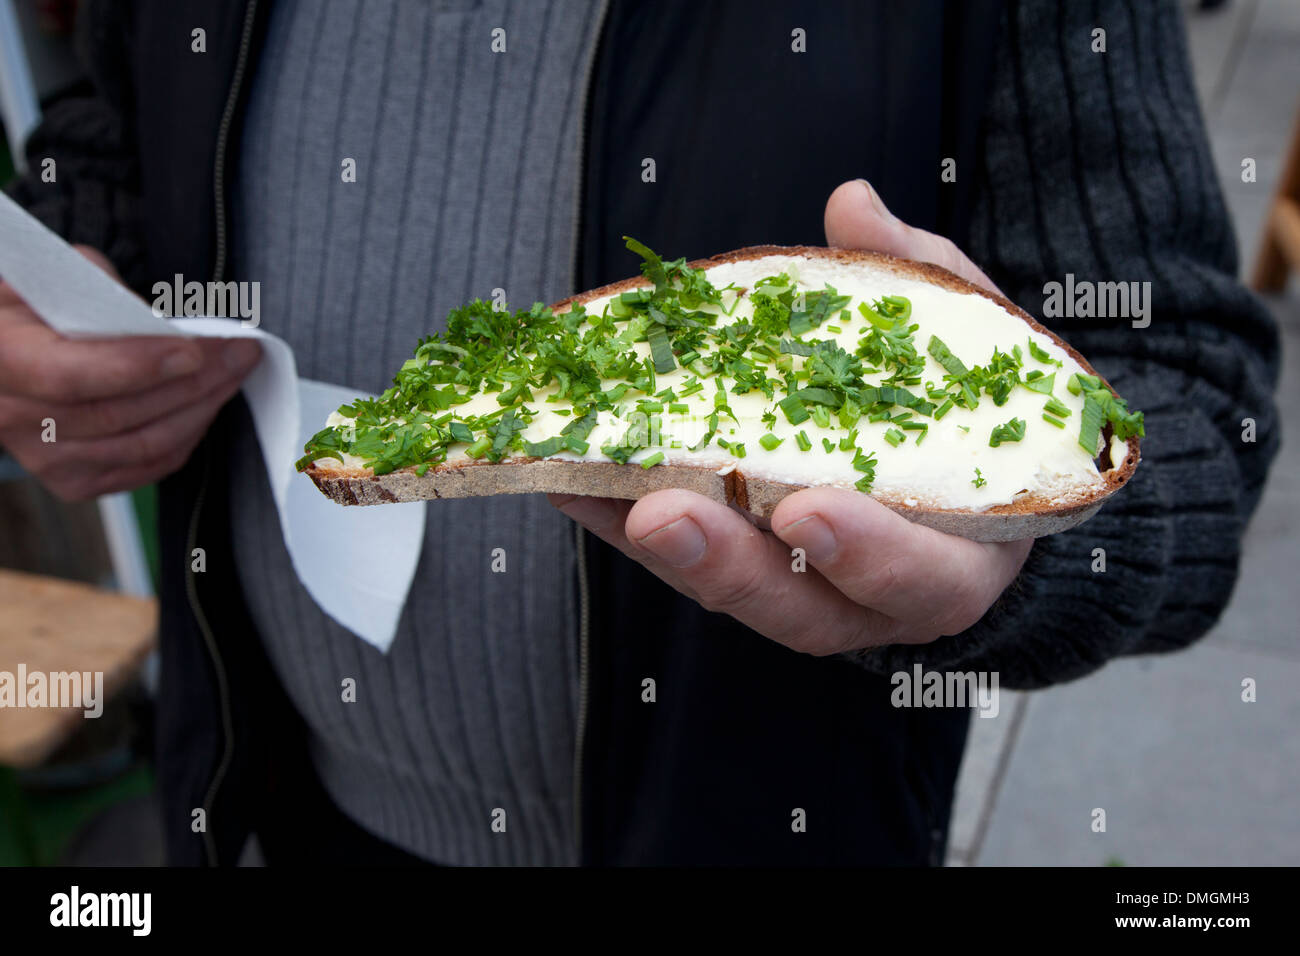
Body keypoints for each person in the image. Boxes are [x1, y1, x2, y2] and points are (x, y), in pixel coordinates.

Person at [0, 0, 1278, 866]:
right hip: (269, 801)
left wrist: (1026, 541)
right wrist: (61, 307)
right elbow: (111, 136)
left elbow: (1186, 398)